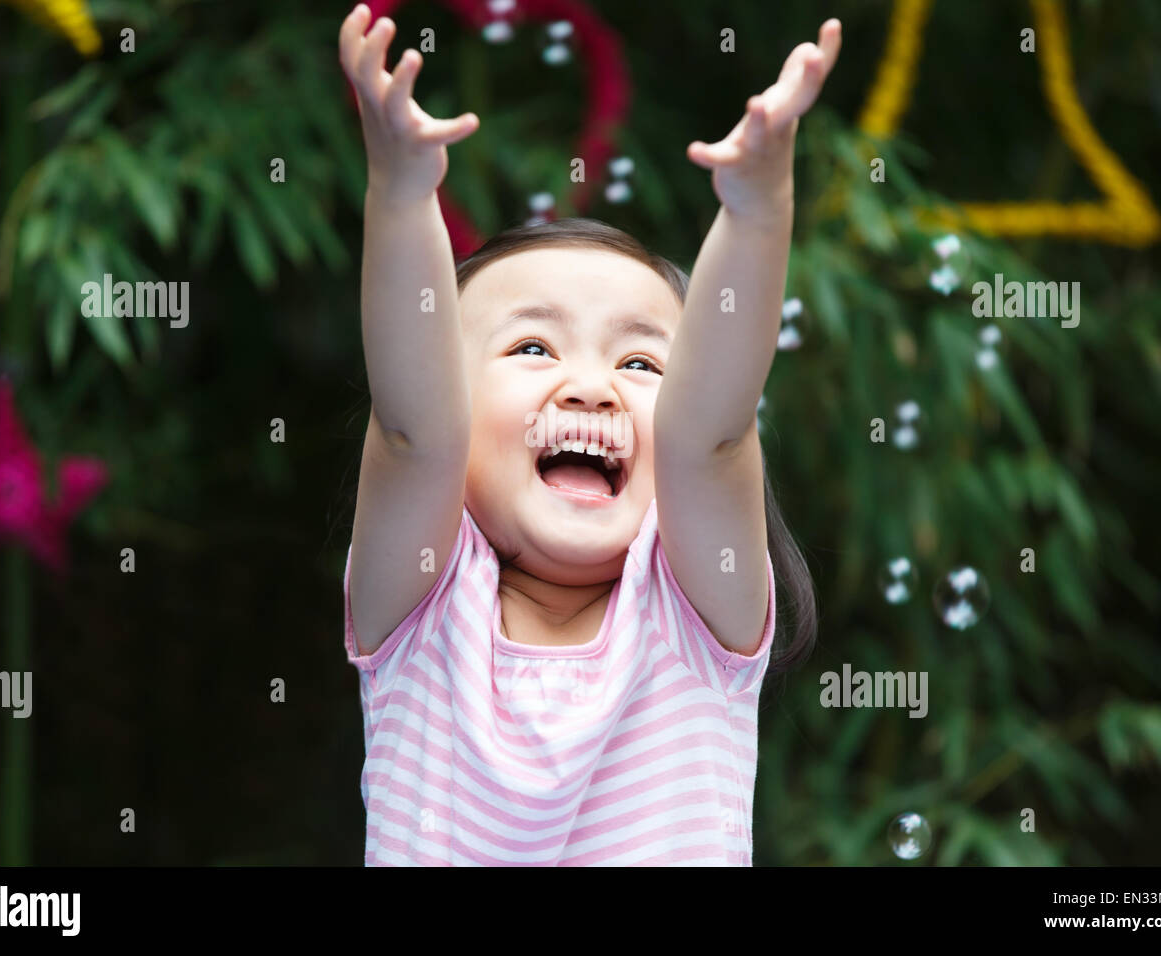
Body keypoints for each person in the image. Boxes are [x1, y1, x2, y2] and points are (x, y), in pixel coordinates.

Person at [337, 2, 839, 865]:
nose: (593, 388)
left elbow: (709, 436)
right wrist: (400, 190)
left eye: (643, 365)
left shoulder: (697, 617)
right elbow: (413, 431)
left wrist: (759, 213)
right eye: (532, 345)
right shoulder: (417, 605)